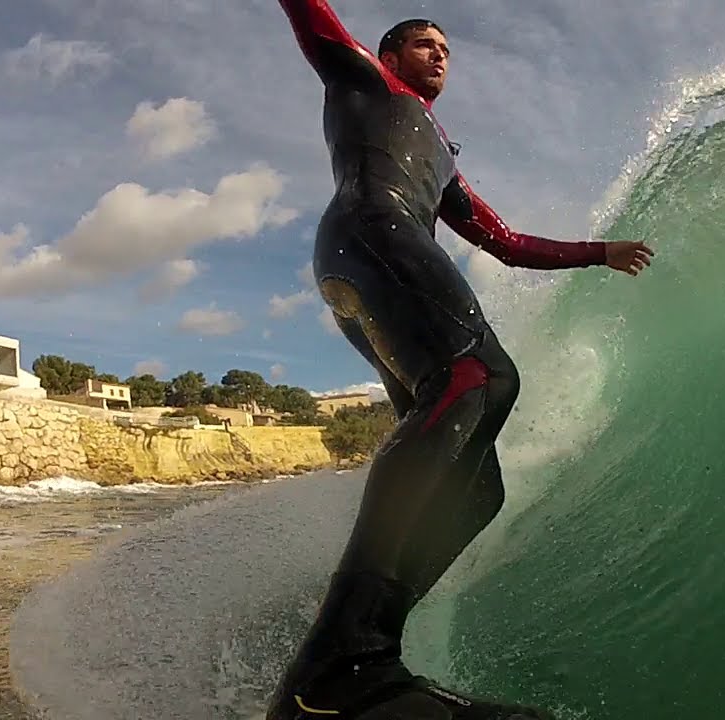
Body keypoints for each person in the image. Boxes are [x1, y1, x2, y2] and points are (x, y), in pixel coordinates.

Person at [267, 3, 654, 719]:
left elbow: (504, 241)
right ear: (390, 54)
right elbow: (312, 17)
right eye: (423, 43)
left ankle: (363, 664)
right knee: (479, 375)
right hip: (369, 232)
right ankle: (341, 657)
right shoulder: (363, 81)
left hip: (366, 263)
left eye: (446, 46)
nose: (440, 54)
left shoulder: (442, 156)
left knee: (478, 492)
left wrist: (597, 253)